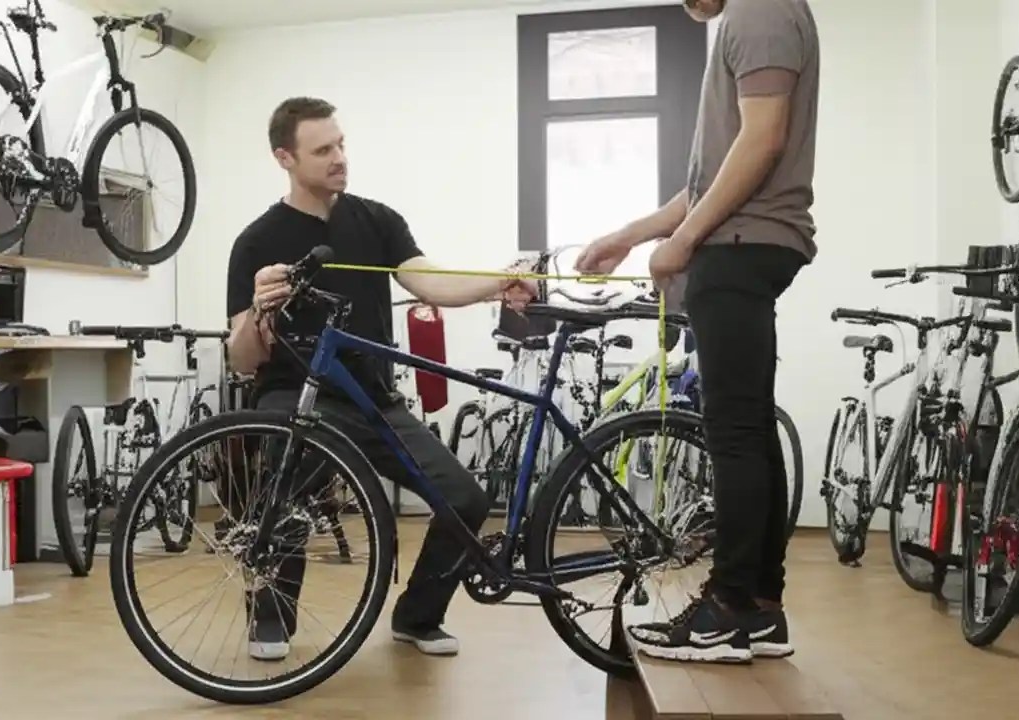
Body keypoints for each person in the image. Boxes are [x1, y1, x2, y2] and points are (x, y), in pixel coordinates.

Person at [225, 96, 536, 661]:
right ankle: (270, 617)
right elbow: (243, 358)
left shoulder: (377, 220)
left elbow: (428, 281)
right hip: (294, 396)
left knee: (465, 499)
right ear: (285, 158)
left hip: (374, 398)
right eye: (323, 150)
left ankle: (418, 617)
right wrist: (256, 307)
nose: (339, 157)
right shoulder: (256, 241)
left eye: (341, 144)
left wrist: (497, 282)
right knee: (283, 491)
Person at [575, 0, 819, 664]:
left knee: (734, 433)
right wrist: (631, 236)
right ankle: (760, 608)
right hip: (746, 242)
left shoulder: (759, 11)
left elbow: (762, 139)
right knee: (750, 429)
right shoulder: (756, 14)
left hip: (738, 248)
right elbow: (715, 178)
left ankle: (730, 605)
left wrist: (682, 243)